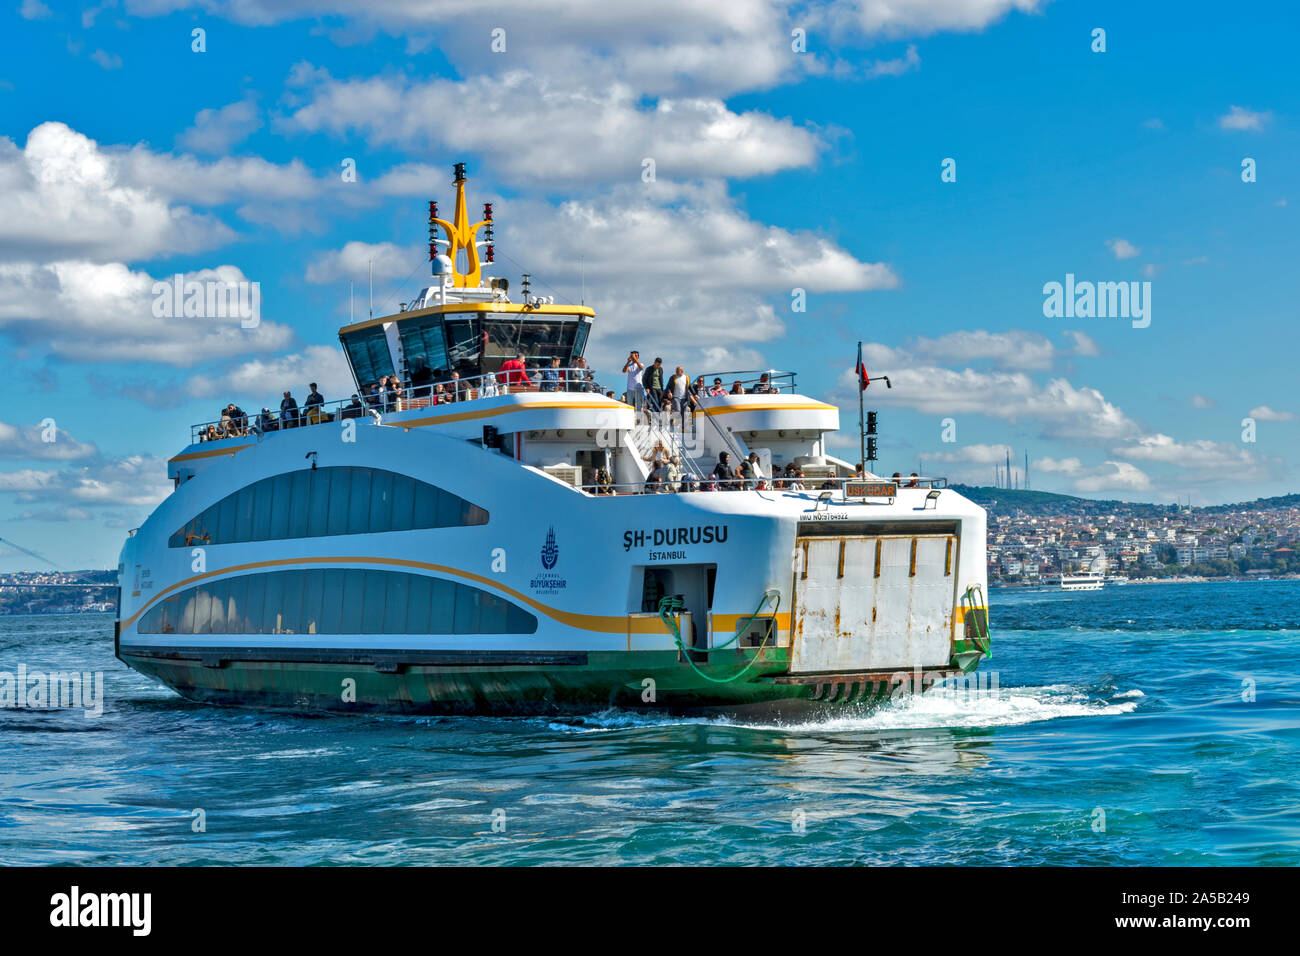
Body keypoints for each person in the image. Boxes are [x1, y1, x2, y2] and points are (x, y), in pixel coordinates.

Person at [623, 350, 646, 419]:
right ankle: (630, 420)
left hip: (638, 388)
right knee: (629, 405)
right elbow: (624, 371)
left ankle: (639, 421)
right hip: (630, 388)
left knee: (639, 406)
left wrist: (635, 359)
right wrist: (628, 361)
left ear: (638, 357)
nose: (633, 357)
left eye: (635, 356)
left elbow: (641, 368)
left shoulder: (641, 364)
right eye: (632, 355)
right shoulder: (629, 365)